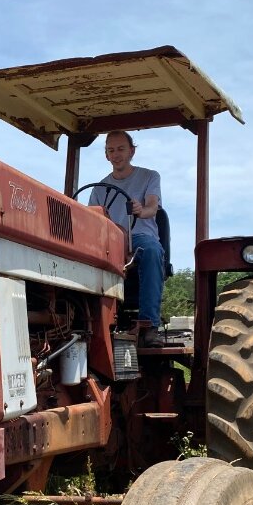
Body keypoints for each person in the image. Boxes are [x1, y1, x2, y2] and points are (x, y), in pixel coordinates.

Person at [89, 130, 166, 347]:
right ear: (106, 155)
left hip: (139, 237)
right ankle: (89, 323)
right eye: (111, 150)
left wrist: (142, 210)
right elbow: (90, 218)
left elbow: (153, 207)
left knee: (151, 250)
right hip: (109, 240)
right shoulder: (99, 188)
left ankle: (149, 325)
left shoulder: (149, 176)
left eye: (121, 149)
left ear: (131, 151)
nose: (116, 154)